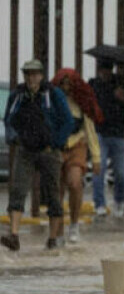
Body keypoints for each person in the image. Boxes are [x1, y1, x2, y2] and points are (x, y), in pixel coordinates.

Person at [4, 59, 73, 251]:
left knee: (52, 194)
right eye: (27, 74)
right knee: (17, 190)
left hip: (48, 151)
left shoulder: (54, 94)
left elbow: (68, 121)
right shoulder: (18, 95)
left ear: (41, 75)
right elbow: (8, 119)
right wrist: (14, 138)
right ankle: (14, 235)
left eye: (34, 74)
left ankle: (52, 239)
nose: (31, 78)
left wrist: (56, 142)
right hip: (25, 150)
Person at [51, 68, 101, 244]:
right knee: (56, 190)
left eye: (68, 83)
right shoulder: (52, 100)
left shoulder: (82, 101)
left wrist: (96, 157)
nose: (66, 87)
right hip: (56, 146)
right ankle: (57, 231)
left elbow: (90, 129)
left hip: (77, 145)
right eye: (62, 83)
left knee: (74, 182)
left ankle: (74, 224)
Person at [89, 60, 124, 221]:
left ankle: (120, 201)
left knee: (121, 173)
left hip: (119, 133)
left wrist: (123, 98)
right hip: (99, 132)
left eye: (108, 68)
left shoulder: (122, 83)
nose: (105, 72)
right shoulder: (93, 84)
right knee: (98, 170)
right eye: (102, 69)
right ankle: (99, 204)